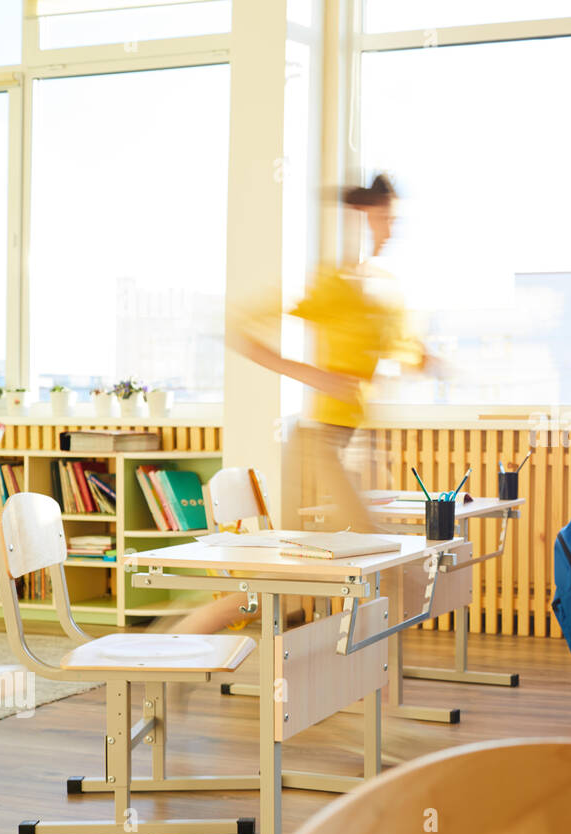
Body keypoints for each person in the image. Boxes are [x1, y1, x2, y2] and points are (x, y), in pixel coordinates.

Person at [168, 174, 426, 635]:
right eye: (386, 218)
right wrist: (316, 375)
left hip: (351, 443)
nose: (391, 230)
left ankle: (195, 645)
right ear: (362, 218)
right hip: (316, 445)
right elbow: (243, 333)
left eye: (394, 221)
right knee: (349, 563)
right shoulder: (333, 287)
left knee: (294, 583)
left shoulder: (378, 291)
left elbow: (406, 353)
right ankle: (175, 646)